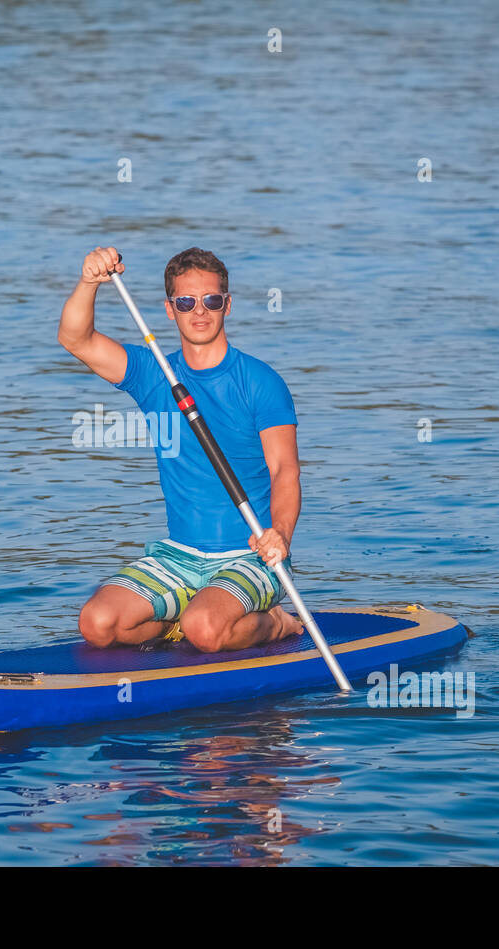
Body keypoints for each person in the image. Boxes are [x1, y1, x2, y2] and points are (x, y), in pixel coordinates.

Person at [58, 245, 306, 653]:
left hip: (254, 556)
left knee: (206, 629)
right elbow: (74, 338)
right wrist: (89, 284)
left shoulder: (260, 381)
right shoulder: (152, 373)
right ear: (170, 309)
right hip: (179, 556)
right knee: (97, 624)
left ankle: (275, 623)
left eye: (211, 300)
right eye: (186, 302)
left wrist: (280, 533)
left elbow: (285, 471)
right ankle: (175, 623)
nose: (200, 311)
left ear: (227, 305)